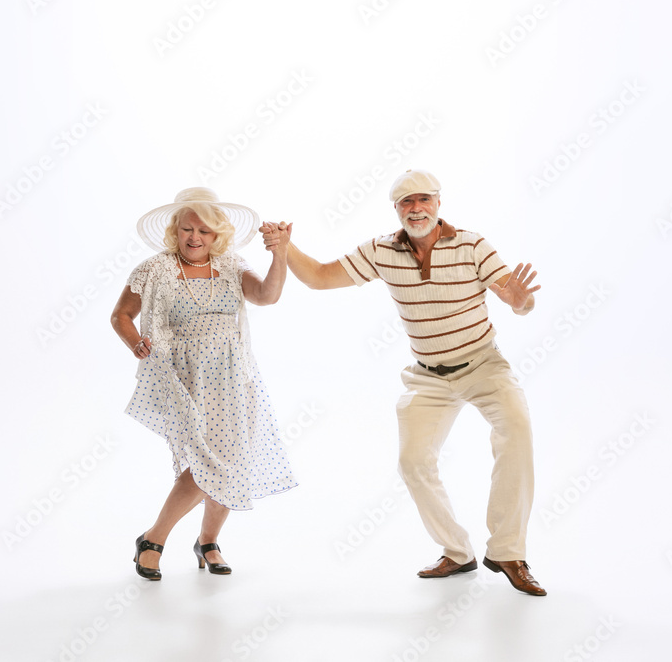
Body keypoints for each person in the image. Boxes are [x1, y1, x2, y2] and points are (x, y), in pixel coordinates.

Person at [262, 169, 546, 595]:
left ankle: (507, 551)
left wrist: (521, 303)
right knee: (413, 462)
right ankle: (457, 552)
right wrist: (285, 247)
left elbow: (517, 297)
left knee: (517, 429)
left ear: (438, 203)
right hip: (428, 377)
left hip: (484, 365)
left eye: (424, 199)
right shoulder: (382, 251)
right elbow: (320, 276)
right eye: (406, 202)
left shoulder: (472, 245)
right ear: (396, 209)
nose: (416, 209)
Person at [111, 187, 297, 581]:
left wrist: (280, 254)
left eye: (204, 231)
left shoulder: (231, 265)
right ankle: (153, 539)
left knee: (231, 460)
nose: (194, 237)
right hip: (184, 377)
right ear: (175, 229)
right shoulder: (155, 269)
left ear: (218, 234)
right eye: (187, 229)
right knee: (205, 462)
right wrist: (136, 342)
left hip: (233, 377)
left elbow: (267, 296)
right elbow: (121, 316)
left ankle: (208, 542)